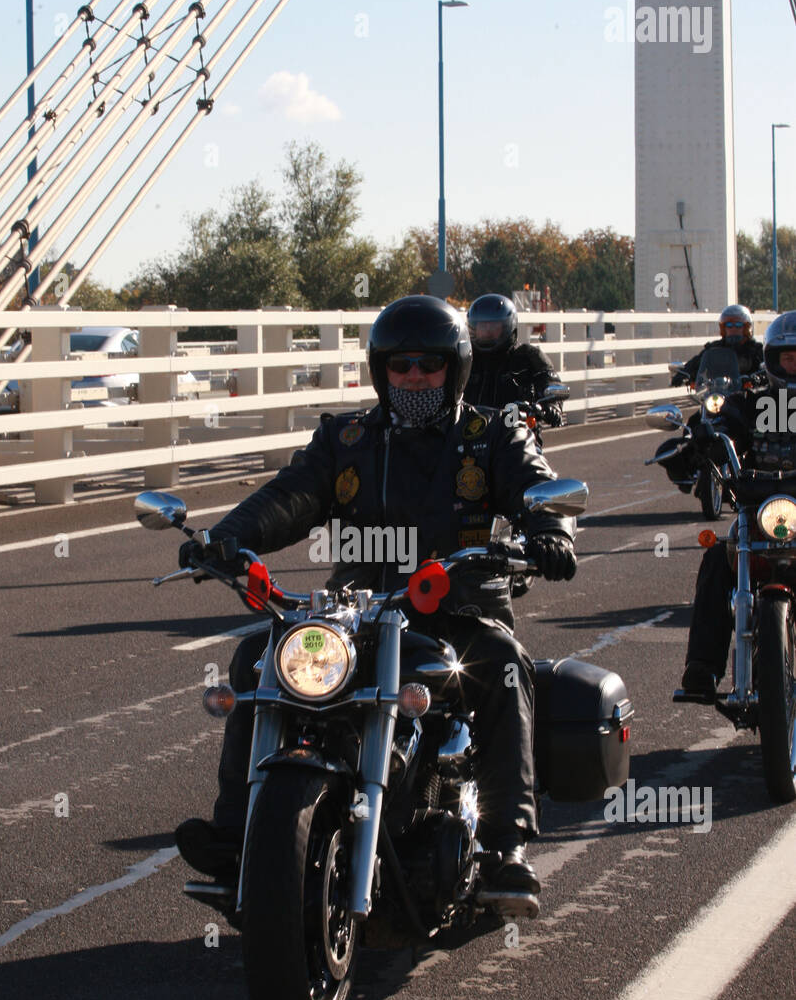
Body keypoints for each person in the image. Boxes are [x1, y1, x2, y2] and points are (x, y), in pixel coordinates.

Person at [174, 294, 578, 913]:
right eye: (401, 364)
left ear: (455, 369)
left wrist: (550, 532)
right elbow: (290, 496)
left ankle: (506, 847)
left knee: (502, 666)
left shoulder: (491, 433)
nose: (414, 376)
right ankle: (237, 834)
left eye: (429, 364)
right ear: (380, 370)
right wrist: (225, 539)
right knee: (258, 659)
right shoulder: (347, 438)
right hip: (360, 611)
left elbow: (536, 486)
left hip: (458, 609)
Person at [681, 311, 796, 697]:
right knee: (718, 557)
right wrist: (706, 434)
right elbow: (724, 421)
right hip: (757, 511)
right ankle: (702, 667)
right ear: (772, 360)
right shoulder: (751, 403)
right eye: (787, 358)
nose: (792, 366)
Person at [658, 304, 766, 490]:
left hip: (743, 400)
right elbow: (697, 362)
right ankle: (690, 470)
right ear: (723, 328)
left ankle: (756, 469)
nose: (733, 329)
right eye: (729, 325)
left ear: (747, 328)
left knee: (755, 431)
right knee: (693, 424)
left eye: (738, 325)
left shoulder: (756, 350)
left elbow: (767, 367)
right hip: (717, 397)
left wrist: (758, 377)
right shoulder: (714, 348)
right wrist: (684, 373)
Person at [464, 293, 565, 423]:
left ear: (507, 327)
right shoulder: (466, 358)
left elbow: (549, 380)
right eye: (483, 326)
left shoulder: (528, 356)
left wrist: (552, 405)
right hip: (471, 429)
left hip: (517, 427)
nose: (488, 331)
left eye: (494, 326)